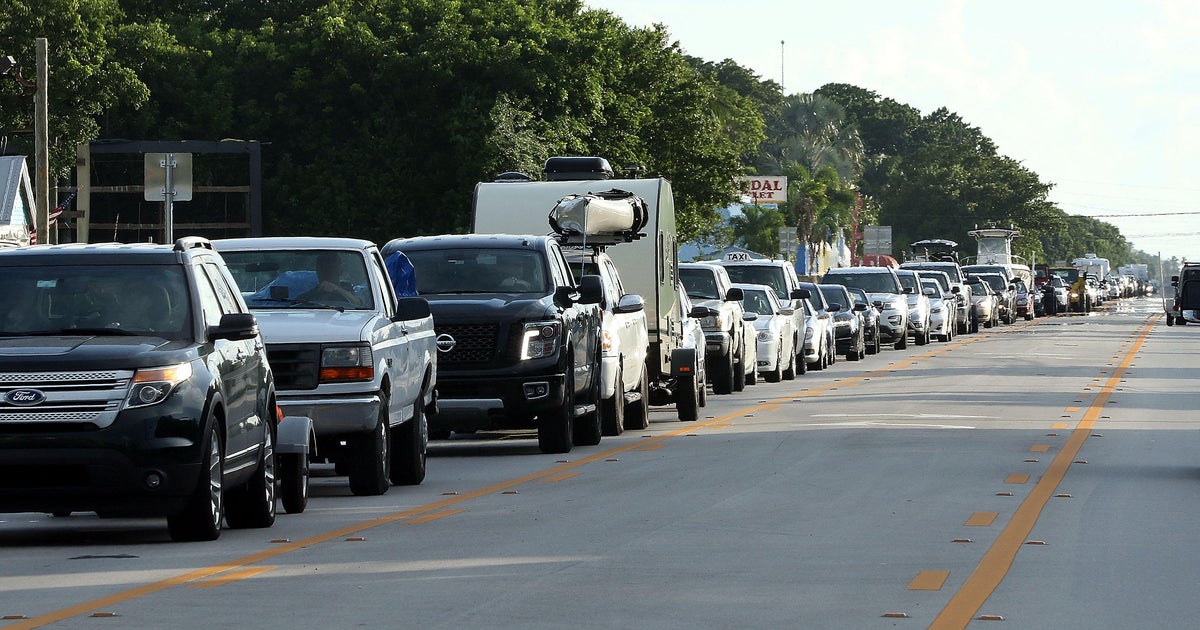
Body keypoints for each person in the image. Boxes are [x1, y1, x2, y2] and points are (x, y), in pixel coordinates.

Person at [298, 252, 362, 305]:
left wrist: (337, 289)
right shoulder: (307, 297)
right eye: (321, 267)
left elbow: (359, 304)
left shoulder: (354, 290)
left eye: (330, 268)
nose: (325, 271)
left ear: (341, 270)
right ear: (317, 270)